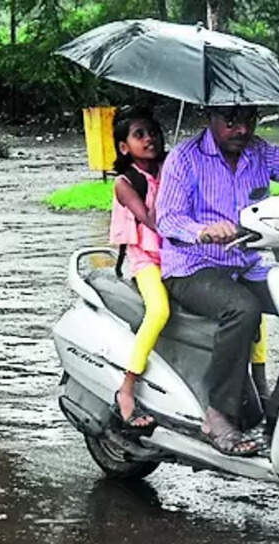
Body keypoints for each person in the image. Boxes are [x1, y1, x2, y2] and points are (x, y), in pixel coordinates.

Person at [156, 93, 279, 456]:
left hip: (245, 263)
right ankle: (218, 415)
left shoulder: (259, 152)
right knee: (243, 309)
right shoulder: (184, 159)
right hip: (192, 265)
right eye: (231, 120)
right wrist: (201, 230)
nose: (242, 129)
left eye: (249, 119)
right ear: (209, 116)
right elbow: (168, 218)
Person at [108, 106, 168, 430]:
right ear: (123, 147)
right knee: (158, 311)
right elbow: (151, 219)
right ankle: (127, 388)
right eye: (139, 135)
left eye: (153, 132)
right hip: (146, 258)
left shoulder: (169, 167)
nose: (150, 139)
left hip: (175, 255)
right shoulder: (124, 182)